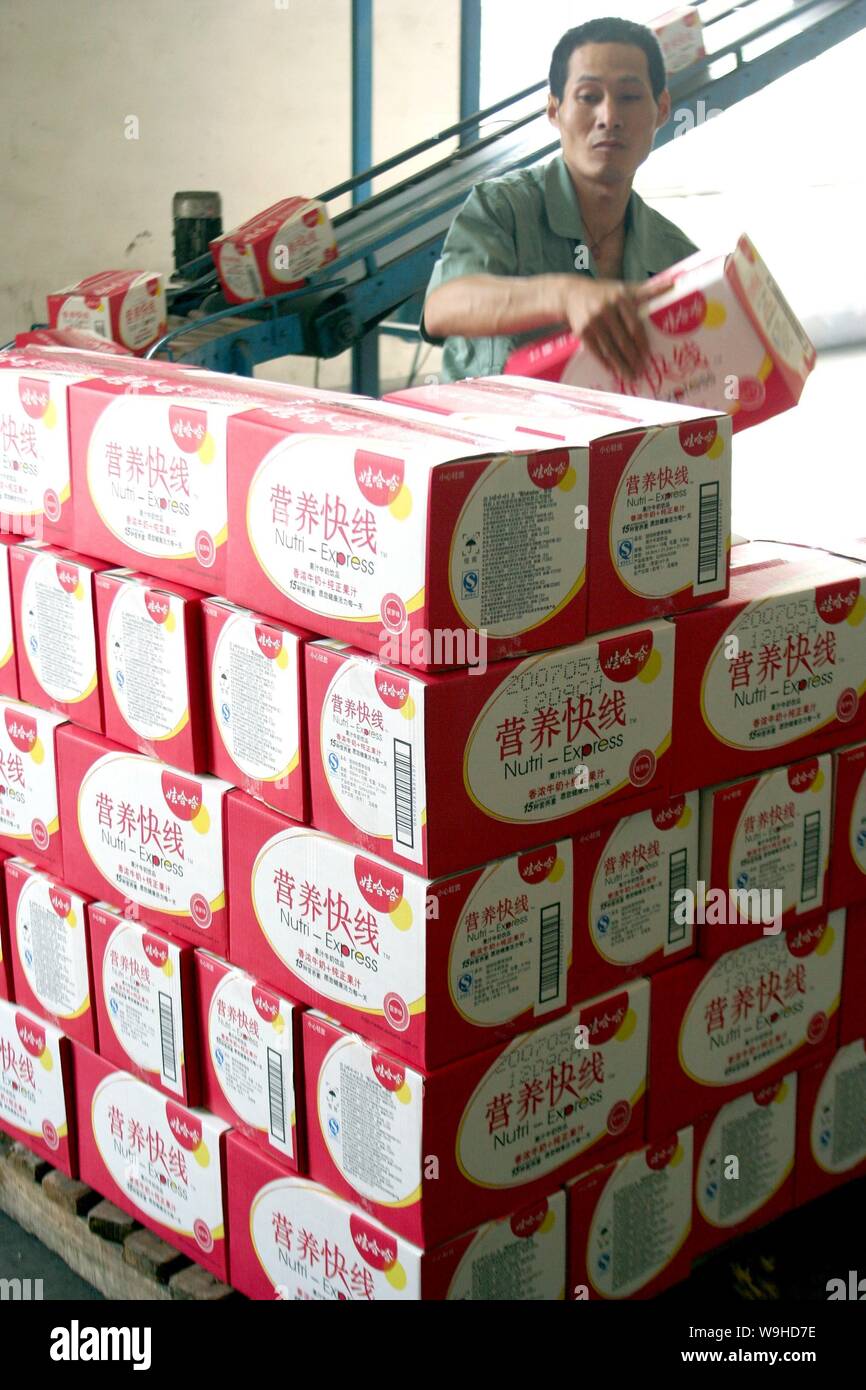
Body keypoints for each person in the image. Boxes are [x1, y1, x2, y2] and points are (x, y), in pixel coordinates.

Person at [421, 16, 698, 383]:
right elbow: (442, 306)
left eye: (629, 97)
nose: (609, 117)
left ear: (661, 109)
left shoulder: (676, 257)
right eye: (588, 97)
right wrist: (565, 295)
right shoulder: (503, 208)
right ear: (555, 110)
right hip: (499, 438)